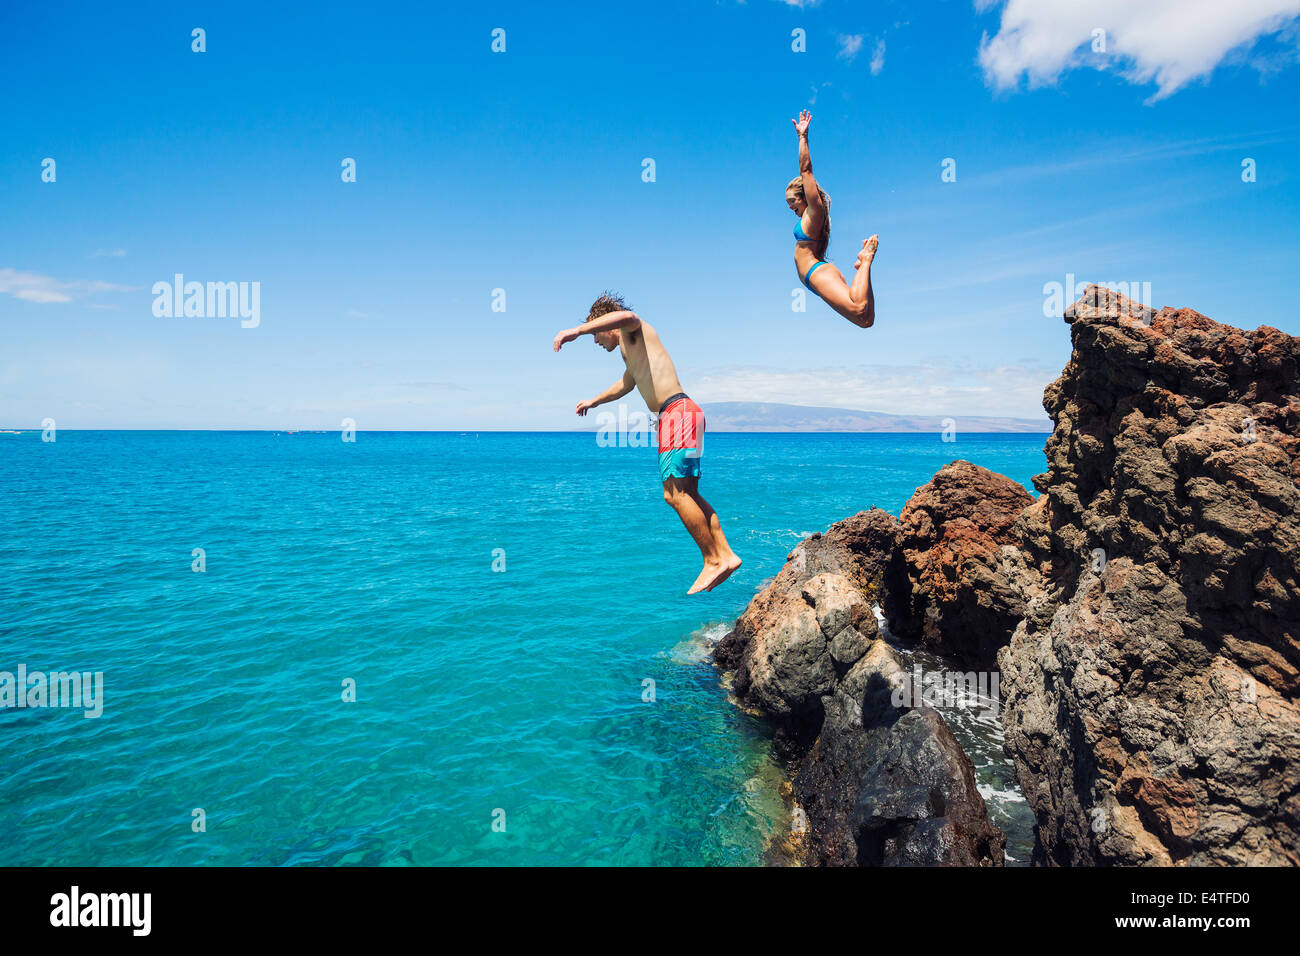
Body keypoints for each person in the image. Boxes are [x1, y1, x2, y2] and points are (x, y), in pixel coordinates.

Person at [553, 293, 742, 594]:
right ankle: (726, 555)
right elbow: (626, 384)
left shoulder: (633, 330)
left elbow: (627, 317)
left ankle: (713, 560)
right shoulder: (630, 352)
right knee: (685, 493)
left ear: (604, 323)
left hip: (677, 414)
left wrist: (576, 330)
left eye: (595, 332)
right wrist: (594, 401)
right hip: (682, 413)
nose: (595, 341)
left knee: (676, 495)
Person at [787, 110, 878, 328]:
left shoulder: (814, 211)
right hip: (816, 275)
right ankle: (863, 266)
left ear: (804, 197)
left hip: (816, 272)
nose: (790, 207)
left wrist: (802, 137)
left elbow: (806, 171)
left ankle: (865, 260)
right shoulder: (811, 217)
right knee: (865, 320)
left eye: (792, 201)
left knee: (858, 310)